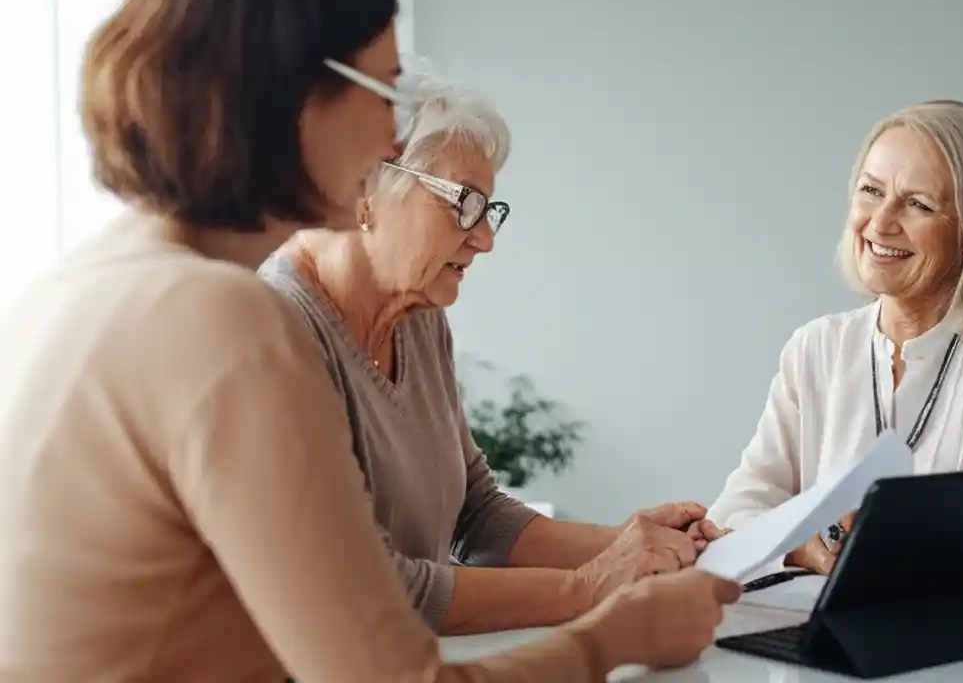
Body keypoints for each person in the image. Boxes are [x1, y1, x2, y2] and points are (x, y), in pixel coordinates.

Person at [0, 0, 737, 681]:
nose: (391, 134)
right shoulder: (223, 318)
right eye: (384, 92)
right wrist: (611, 636)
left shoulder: (71, 288)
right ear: (293, 93)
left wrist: (618, 571)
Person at [260, 72, 715, 635]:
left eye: (488, 210)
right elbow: (370, 585)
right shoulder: (273, 330)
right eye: (463, 203)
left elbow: (476, 516)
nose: (485, 238)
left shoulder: (420, 320)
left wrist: (635, 547)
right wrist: (591, 585)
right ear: (365, 191)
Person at [694, 100, 963, 587]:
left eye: (918, 204)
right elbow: (735, 514)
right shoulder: (816, 348)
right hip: (825, 637)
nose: (881, 223)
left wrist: (911, 540)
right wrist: (797, 545)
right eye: (871, 191)